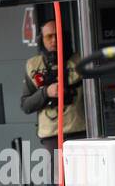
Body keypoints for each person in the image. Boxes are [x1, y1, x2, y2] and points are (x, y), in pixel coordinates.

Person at [21, 19, 87, 149]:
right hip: (51, 136)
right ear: (41, 39)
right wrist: (46, 92)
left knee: (83, 169)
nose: (54, 40)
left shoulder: (80, 61)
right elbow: (26, 106)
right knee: (57, 169)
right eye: (49, 36)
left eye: (58, 36)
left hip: (79, 131)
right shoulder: (32, 65)